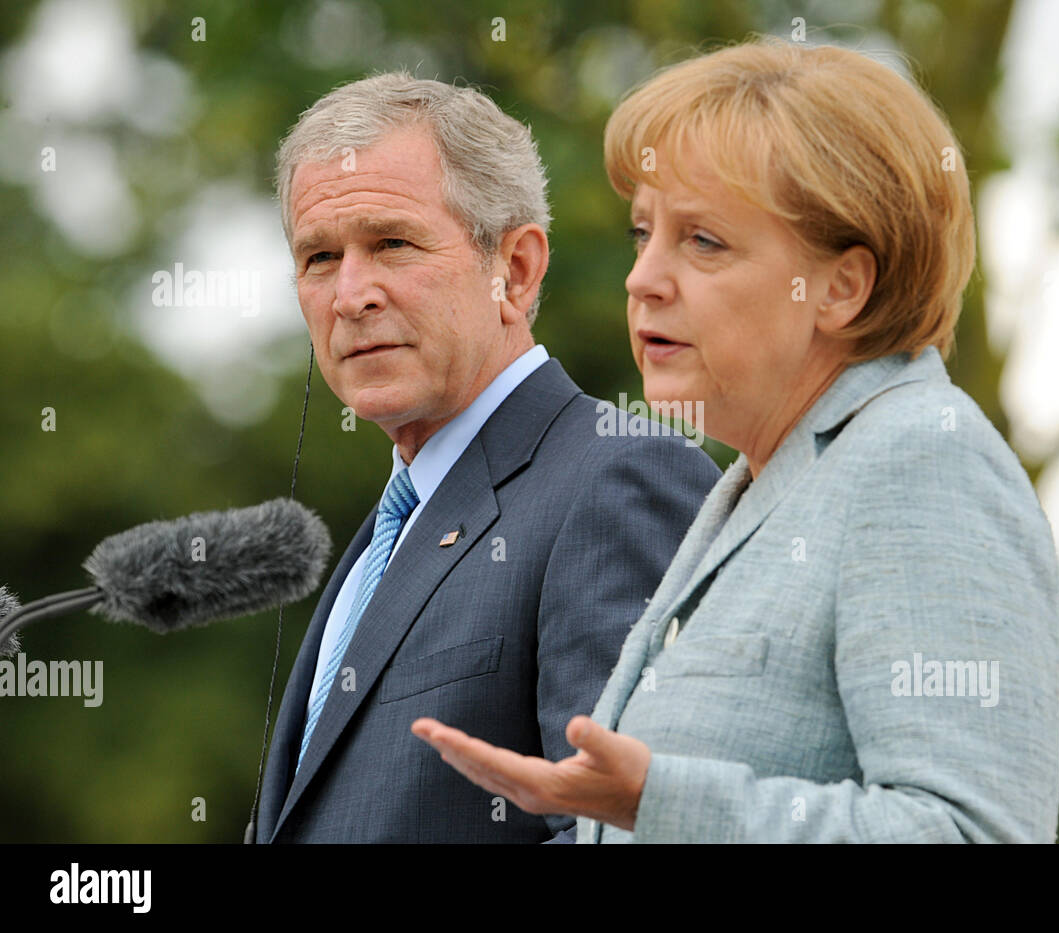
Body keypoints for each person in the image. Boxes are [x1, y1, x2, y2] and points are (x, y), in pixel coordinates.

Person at [412, 39, 1059, 842]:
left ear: (842, 286)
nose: (642, 277)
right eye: (642, 233)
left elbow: (974, 833)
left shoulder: (921, 458)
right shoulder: (761, 480)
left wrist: (657, 798)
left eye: (703, 241)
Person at [254, 72, 720, 843]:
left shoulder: (618, 480)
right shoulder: (390, 530)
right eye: (320, 257)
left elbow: (636, 830)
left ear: (518, 267)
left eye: (391, 243)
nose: (350, 294)